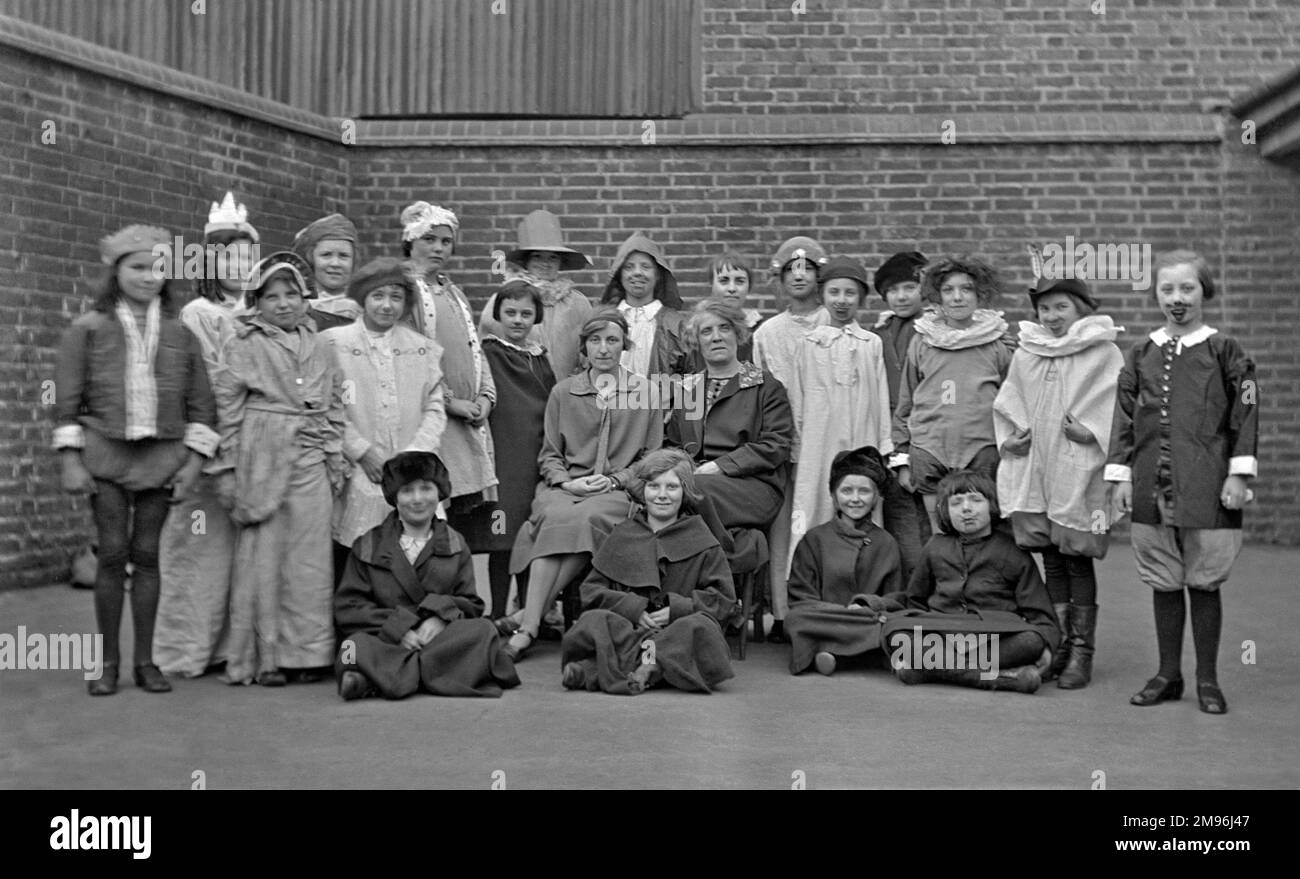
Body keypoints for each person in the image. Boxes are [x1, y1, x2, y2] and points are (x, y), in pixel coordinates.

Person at [54, 224, 218, 696]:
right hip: (105, 454)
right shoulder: (88, 329)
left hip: (161, 458)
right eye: (137, 267)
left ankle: (146, 662)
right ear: (116, 271)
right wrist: (71, 460)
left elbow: (201, 405)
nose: (148, 276)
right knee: (112, 554)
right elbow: (66, 402)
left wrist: (193, 464)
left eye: (158, 268)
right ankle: (107, 663)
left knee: (147, 556)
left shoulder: (180, 333)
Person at [1106, 250, 1258, 715]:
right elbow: (1123, 417)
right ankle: (1167, 674)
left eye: (1187, 288)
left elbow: (1247, 408)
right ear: (1156, 294)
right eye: (1167, 289)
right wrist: (1122, 476)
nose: (1177, 298)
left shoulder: (1226, 351)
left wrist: (1238, 472)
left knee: (1205, 580)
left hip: (1208, 482)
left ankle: (1207, 678)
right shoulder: (1140, 353)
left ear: (1203, 291)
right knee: (1164, 579)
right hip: (1151, 481)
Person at [211, 253, 346, 686]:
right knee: (263, 555)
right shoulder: (243, 343)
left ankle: (306, 654)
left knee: (310, 559)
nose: (284, 304)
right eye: (272, 297)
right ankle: (264, 656)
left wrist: (333, 454)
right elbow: (226, 408)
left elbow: (334, 403)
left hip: (311, 454)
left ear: (305, 299)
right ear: (257, 302)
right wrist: (227, 468)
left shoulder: (320, 344)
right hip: (263, 455)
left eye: (291, 294)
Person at [504, 310, 664, 661]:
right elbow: (550, 455)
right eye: (595, 340)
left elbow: (650, 458)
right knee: (557, 515)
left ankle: (526, 623)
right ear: (584, 348)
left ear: (624, 345)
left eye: (612, 340)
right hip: (566, 489)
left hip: (619, 492)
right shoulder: (563, 392)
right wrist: (568, 483)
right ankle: (532, 619)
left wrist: (614, 479)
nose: (603, 349)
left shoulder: (646, 393)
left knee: (590, 517)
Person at [994, 274, 1122, 688]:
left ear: (1080, 309)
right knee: (1050, 556)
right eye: (1044, 309)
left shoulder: (1101, 352)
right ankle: (1059, 643)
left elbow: (1117, 403)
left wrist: (1093, 431)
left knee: (1076, 556)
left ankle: (1082, 651)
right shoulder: (1027, 352)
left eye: (1061, 307)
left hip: (1075, 465)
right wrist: (1010, 437)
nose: (1051, 317)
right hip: (1037, 464)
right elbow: (1010, 399)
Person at [153, 192, 256, 677]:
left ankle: (231, 646)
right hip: (214, 448)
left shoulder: (257, 311)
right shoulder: (201, 314)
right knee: (200, 550)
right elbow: (211, 384)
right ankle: (186, 647)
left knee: (242, 553)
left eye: (248, 258)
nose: (240, 267)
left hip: (256, 446)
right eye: (230, 258)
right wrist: (222, 453)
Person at [333, 451, 520, 700]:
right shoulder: (368, 545)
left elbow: (471, 603)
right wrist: (399, 629)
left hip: (440, 639)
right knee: (352, 646)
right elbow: (349, 607)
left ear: (439, 492)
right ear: (394, 497)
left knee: (483, 630)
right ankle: (435, 674)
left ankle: (382, 678)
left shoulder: (455, 543)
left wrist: (440, 618)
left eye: (426, 489)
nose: (417, 499)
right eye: (407, 491)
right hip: (387, 638)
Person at [560, 450, 738, 694]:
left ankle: (598, 671)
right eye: (654, 486)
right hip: (630, 630)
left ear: (684, 491)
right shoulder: (623, 534)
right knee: (595, 621)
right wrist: (632, 609)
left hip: (675, 633)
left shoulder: (702, 539)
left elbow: (723, 599)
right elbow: (591, 591)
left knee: (699, 627)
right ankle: (649, 667)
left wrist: (676, 610)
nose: (662, 495)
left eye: (672, 487)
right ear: (643, 490)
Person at [320, 257, 446, 587]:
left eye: (396, 297)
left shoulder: (422, 349)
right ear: (363, 298)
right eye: (378, 296)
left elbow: (435, 407)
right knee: (355, 551)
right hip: (356, 467)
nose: (387, 305)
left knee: (412, 552)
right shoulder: (334, 344)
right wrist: (362, 451)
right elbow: (327, 406)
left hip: (411, 467)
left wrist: (414, 455)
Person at [887, 470, 1061, 693]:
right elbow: (915, 600)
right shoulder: (935, 547)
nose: (966, 509)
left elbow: (1041, 614)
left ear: (992, 506)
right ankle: (1003, 679)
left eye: (976, 500)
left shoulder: (1013, 552)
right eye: (956, 503)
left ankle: (929, 670)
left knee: (1031, 642)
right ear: (945, 511)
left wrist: (1047, 646)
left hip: (994, 639)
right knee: (898, 634)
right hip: (942, 636)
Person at [892, 255, 1013, 535]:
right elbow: (906, 401)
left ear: (980, 294)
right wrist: (902, 456)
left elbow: (1012, 401)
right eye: (948, 290)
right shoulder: (922, 341)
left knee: (983, 529)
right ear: (937, 296)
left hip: (981, 449)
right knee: (941, 532)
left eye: (966, 289)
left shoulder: (996, 343)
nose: (957, 297)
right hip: (930, 449)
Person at [399, 201, 498, 536]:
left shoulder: (455, 294)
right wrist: (449, 402)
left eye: (445, 241)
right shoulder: (404, 293)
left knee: (460, 512)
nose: (438, 248)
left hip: (467, 418)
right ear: (410, 242)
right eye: (429, 240)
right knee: (430, 500)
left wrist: (485, 396)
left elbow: (475, 350)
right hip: (430, 417)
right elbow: (408, 356)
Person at [787, 256, 892, 569]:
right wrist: (797, 448)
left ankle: (865, 573)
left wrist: (882, 447)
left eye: (850, 293)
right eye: (834, 292)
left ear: (861, 298)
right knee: (814, 502)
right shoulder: (808, 344)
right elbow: (797, 398)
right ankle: (806, 574)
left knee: (861, 501)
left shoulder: (871, 343)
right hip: (818, 443)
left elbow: (881, 397)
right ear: (822, 295)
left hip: (862, 437)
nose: (842, 300)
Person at [751, 235, 830, 643]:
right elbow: (757, 389)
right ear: (780, 279)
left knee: (823, 520)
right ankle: (782, 613)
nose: (799, 276)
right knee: (784, 528)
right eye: (790, 270)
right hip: (784, 443)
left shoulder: (834, 322)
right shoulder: (767, 332)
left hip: (828, 439)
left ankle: (826, 610)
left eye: (808, 269)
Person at [464, 280, 557, 619]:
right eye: (511, 312)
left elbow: (551, 403)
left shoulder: (540, 358)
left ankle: (528, 614)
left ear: (536, 317)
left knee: (529, 536)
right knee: (501, 536)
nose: (518, 320)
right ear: (498, 314)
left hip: (534, 456)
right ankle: (497, 612)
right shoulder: (488, 353)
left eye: (526, 314)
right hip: (504, 456)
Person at [668, 299, 793, 531]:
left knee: (685, 490)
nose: (716, 337)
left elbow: (777, 444)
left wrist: (721, 466)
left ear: (737, 334)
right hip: (694, 479)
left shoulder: (764, 385)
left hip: (752, 485)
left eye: (724, 328)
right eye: (706, 331)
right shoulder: (688, 389)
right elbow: (674, 444)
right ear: (697, 341)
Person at [785, 447, 903, 676]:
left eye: (864, 491)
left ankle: (830, 653)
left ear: (875, 497)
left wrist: (867, 605)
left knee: (895, 622)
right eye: (847, 491)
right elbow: (800, 598)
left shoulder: (886, 542)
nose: (855, 499)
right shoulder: (814, 539)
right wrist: (843, 612)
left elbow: (896, 598)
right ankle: (862, 653)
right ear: (834, 496)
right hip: (825, 617)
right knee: (796, 619)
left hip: (867, 616)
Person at [870, 250, 933, 579]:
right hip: (890, 442)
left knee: (934, 524)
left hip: (928, 439)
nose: (902, 296)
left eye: (909, 287)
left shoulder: (934, 330)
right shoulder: (878, 334)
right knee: (902, 525)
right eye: (893, 290)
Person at [479, 209, 593, 379]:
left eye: (552, 257)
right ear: (526, 261)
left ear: (560, 262)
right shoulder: (505, 299)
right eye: (538, 256)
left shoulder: (578, 303)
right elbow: (485, 354)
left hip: (566, 389)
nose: (545, 263)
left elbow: (590, 349)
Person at [598, 232, 690, 380]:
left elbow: (692, 380)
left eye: (645, 266)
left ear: (658, 274)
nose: (637, 272)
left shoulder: (676, 325)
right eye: (629, 267)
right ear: (619, 274)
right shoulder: (602, 321)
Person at [292, 212, 362, 326]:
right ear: (311, 258)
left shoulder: (368, 306)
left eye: (343, 256)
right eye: (326, 255)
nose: (335, 263)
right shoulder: (292, 306)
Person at [707, 251, 762, 363]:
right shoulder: (698, 327)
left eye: (739, 281)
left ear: (749, 286)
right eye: (724, 281)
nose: (732, 288)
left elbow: (755, 373)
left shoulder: (759, 330)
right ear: (711, 284)